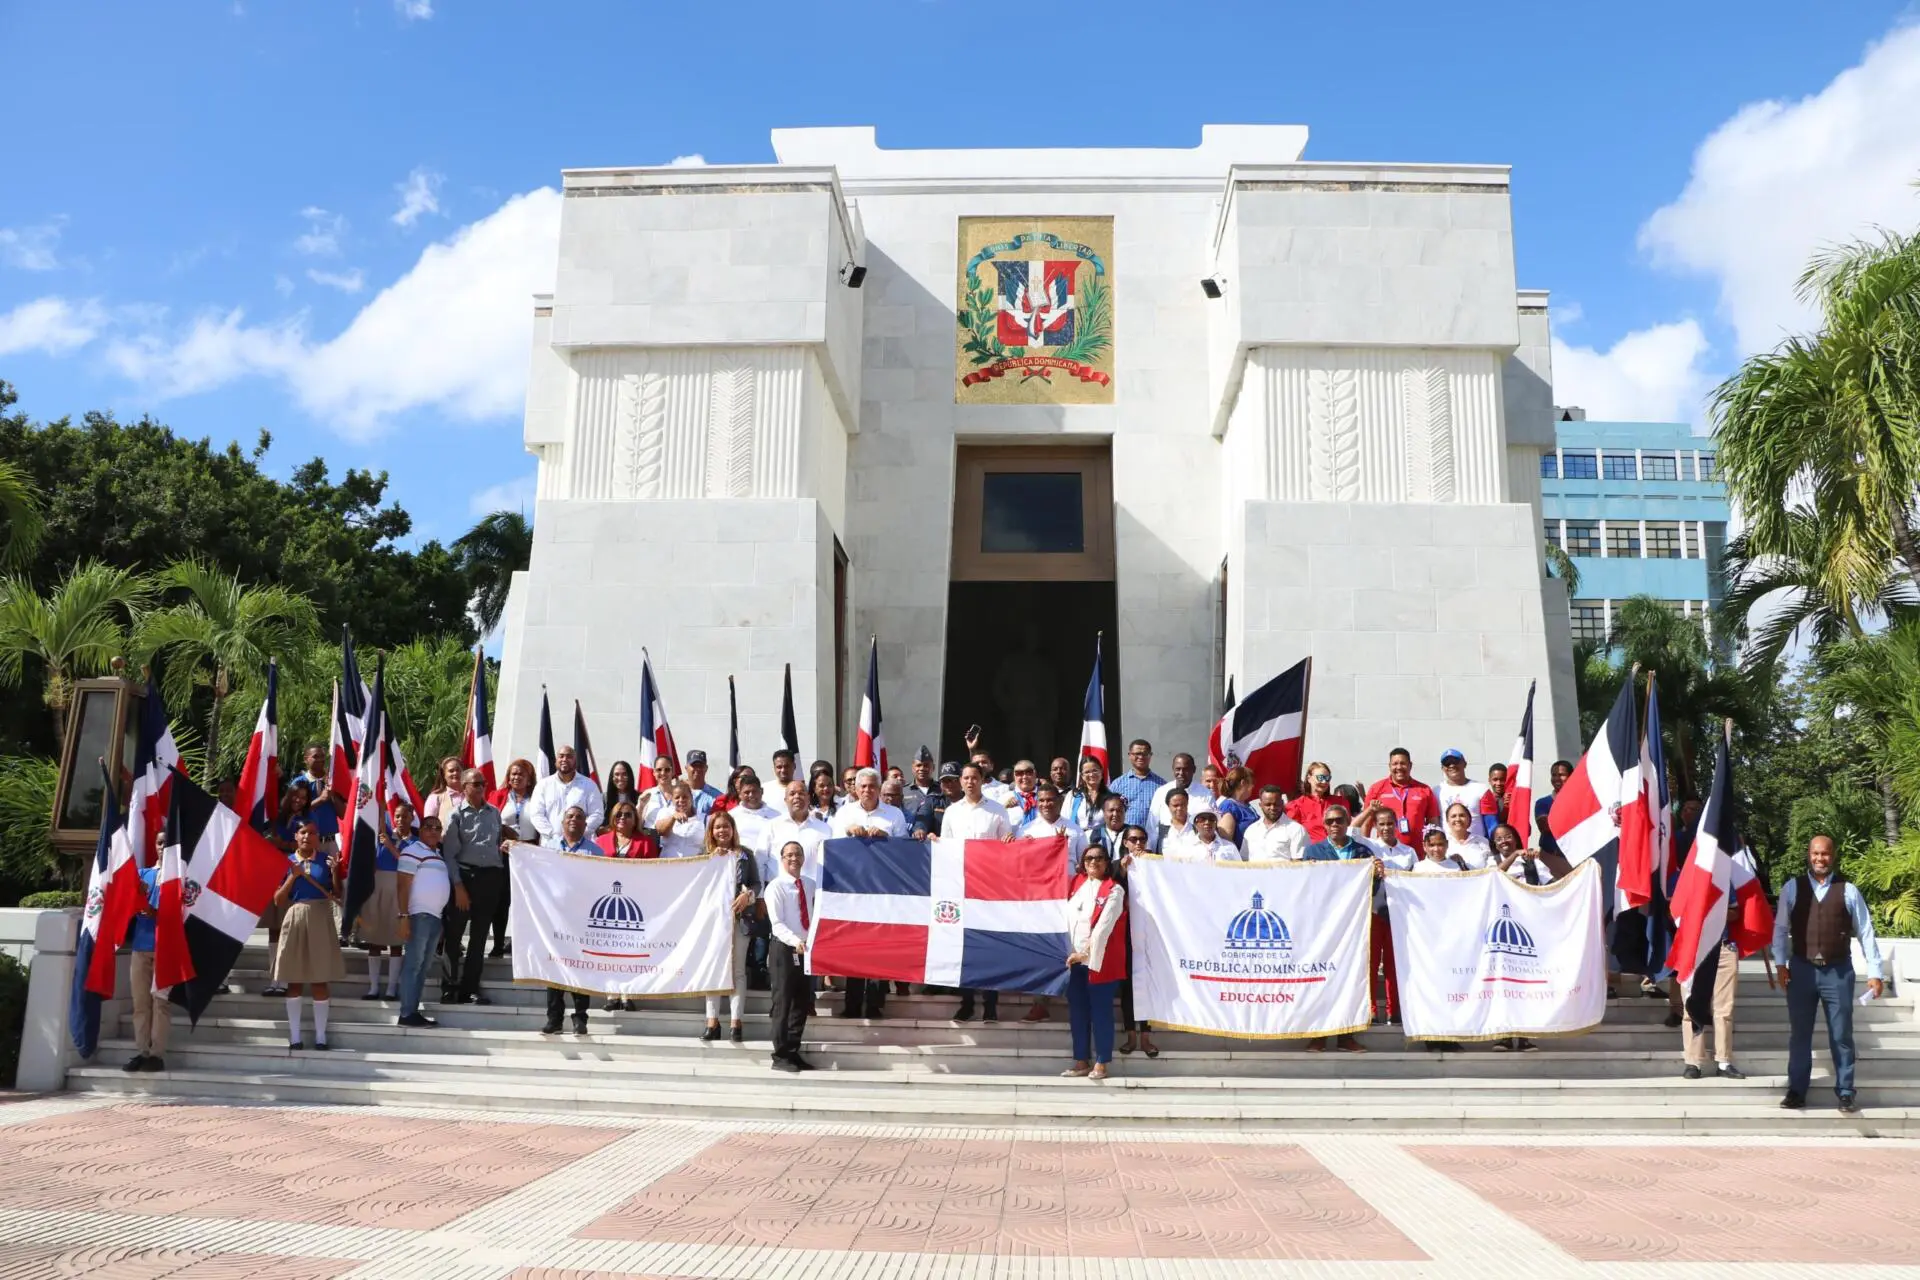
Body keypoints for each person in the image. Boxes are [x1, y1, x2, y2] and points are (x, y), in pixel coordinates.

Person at [1774, 835, 1884, 1114]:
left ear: (1833, 856)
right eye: (1815, 853)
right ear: (1808, 855)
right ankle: (1797, 1090)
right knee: (1800, 1035)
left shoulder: (1847, 890)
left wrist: (1875, 972)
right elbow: (1780, 929)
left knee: (1841, 1034)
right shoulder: (1792, 888)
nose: (1819, 859)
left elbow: (1866, 931)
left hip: (1838, 971)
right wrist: (1780, 964)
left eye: (1825, 854)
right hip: (1801, 969)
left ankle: (1846, 1091)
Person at [942, 763, 1014, 1022]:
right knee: (965, 945)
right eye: (966, 778)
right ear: (960, 782)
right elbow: (945, 850)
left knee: (989, 945)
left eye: (975, 777)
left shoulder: (997, 810)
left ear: (983, 780)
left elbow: (1008, 847)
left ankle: (991, 1003)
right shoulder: (951, 812)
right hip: (961, 887)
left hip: (989, 888)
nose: (970, 782)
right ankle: (967, 1001)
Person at [1300, 803, 1370, 1053]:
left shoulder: (1362, 851)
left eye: (1339, 820)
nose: (1334, 826)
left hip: (1352, 926)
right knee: (1320, 980)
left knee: (1349, 982)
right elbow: (1305, 889)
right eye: (1329, 821)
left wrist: (1377, 875)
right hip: (1321, 928)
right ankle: (1318, 1035)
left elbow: (1369, 891)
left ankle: (1345, 1035)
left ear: (1348, 821)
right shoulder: (1314, 851)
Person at [271, 820, 346, 1050]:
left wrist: (335, 872)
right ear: (296, 835)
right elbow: (278, 899)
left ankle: (321, 1036)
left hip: (321, 917)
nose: (307, 837)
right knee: (294, 980)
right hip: (295, 916)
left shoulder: (325, 860)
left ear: (317, 836)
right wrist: (293, 876)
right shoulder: (286, 862)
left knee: (319, 979)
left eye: (312, 833)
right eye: (303, 832)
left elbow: (337, 893)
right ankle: (295, 1037)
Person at [439, 769, 507, 1006]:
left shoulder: (494, 814)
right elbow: (449, 854)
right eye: (476, 784)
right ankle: (449, 987)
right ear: (464, 787)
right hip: (465, 877)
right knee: (454, 935)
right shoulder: (456, 815)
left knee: (479, 938)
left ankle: (469, 989)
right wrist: (458, 886)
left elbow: (496, 844)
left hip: (490, 878)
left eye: (483, 784)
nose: (480, 788)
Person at [1063, 845, 1127, 1081]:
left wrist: (1084, 954)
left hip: (1100, 962)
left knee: (1100, 1012)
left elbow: (1103, 929)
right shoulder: (1076, 885)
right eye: (1089, 858)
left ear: (1107, 863)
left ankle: (1101, 1061)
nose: (1093, 862)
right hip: (1073, 962)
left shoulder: (1114, 890)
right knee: (1078, 1012)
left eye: (1099, 858)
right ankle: (1081, 1059)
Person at [703, 809, 763, 1043]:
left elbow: (756, 883)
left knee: (737, 971)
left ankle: (736, 1023)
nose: (722, 831)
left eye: (726, 826)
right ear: (712, 831)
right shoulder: (705, 855)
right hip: (713, 921)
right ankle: (712, 1022)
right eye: (718, 827)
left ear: (733, 829)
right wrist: (711, 861)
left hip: (740, 920)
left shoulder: (745, 854)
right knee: (713, 970)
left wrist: (748, 895)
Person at [538, 806, 598, 1035]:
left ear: (585, 824)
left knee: (581, 968)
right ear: (562, 822)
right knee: (555, 968)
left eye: (579, 817)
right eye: (570, 816)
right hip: (555, 919)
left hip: (583, 921)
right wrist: (513, 849)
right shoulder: (548, 849)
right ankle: (554, 1018)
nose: (574, 820)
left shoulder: (596, 852)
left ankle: (580, 1017)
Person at [1358, 807, 1416, 1025]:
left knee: (1394, 964)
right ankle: (1372, 1009)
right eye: (1381, 824)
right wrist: (1368, 810)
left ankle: (1395, 1011)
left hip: (1399, 914)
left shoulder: (1409, 851)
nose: (1385, 828)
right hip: (1374, 911)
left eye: (1389, 823)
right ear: (1375, 826)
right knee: (1371, 964)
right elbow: (1353, 830)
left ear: (1396, 824)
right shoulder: (1369, 846)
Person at [764, 839, 817, 1072]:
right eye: (789, 855)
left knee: (802, 1001)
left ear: (804, 858)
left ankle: (793, 1051)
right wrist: (796, 941)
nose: (794, 859)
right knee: (783, 1002)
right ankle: (780, 1055)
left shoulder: (811, 885)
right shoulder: (776, 887)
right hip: (785, 949)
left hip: (806, 949)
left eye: (798, 854)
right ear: (782, 859)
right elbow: (777, 923)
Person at [392, 814, 449, 1028]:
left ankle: (413, 1011)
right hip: (418, 915)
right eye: (428, 827)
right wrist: (404, 916)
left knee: (422, 968)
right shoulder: (412, 851)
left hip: (434, 918)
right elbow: (402, 886)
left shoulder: (438, 855)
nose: (433, 831)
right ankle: (406, 1013)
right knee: (413, 965)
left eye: (437, 827)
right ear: (420, 830)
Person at [353, 798, 409, 1001]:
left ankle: (392, 988)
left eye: (404, 816)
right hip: (377, 888)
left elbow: (407, 861)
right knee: (374, 940)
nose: (400, 820)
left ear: (411, 818)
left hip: (398, 889)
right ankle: (374, 987)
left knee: (396, 941)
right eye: (397, 816)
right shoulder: (384, 834)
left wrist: (392, 847)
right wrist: (380, 799)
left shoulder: (414, 841)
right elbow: (376, 818)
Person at [1112, 824, 1159, 1058]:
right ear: (1125, 843)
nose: (1138, 844)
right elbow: (1107, 890)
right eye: (1133, 839)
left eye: (1142, 839)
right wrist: (1121, 871)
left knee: (1148, 983)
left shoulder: (1156, 864)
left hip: (1151, 934)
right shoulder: (1116, 866)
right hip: (1125, 935)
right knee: (1129, 986)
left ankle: (1146, 1037)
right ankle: (1131, 1036)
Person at [489, 757, 539, 959]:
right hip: (503, 854)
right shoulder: (498, 796)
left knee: (525, 901)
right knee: (501, 901)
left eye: (521, 774)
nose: (517, 777)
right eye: (513, 774)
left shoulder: (537, 797)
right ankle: (498, 943)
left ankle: (522, 943)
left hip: (529, 854)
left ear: (529, 779)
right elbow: (489, 822)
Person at [120, 860, 168, 1072]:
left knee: (160, 1002)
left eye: (165, 843)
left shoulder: (178, 876)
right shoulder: (142, 874)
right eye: (158, 842)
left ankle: (157, 1054)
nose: (161, 847)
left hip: (166, 948)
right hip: (140, 945)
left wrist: (154, 911)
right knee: (140, 1002)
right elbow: (125, 905)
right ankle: (142, 1051)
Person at [529, 746, 605, 845]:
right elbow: (536, 815)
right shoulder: (543, 785)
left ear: (575, 761)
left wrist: (577, 834)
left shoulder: (589, 785)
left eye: (569, 756)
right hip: (550, 845)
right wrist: (553, 835)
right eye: (561, 756)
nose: (564, 759)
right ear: (556, 761)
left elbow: (597, 814)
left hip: (582, 845)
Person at [1366, 748, 1440, 846]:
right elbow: (1366, 824)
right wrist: (1365, 850)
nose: (1399, 767)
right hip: (1385, 853)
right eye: (1395, 764)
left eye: (1403, 763)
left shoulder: (1425, 790)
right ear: (1389, 766)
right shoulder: (1376, 789)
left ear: (1410, 765)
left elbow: (1433, 824)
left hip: (1418, 853)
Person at [765, 778, 832, 880]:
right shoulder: (772, 826)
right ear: (785, 800)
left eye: (801, 793)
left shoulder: (824, 829)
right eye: (792, 794)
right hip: (780, 891)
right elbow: (760, 861)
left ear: (808, 798)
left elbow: (831, 862)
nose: (797, 797)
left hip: (813, 891)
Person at [829, 768, 909, 838]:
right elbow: (835, 847)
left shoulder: (895, 813)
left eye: (872, 786)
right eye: (863, 786)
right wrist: (848, 831)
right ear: (857, 790)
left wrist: (886, 837)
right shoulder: (844, 812)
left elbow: (902, 848)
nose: (867, 790)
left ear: (879, 789)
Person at [1244, 785, 1309, 861]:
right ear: (1260, 805)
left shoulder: (1296, 829)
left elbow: (1299, 863)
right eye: (1268, 804)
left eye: (1276, 804)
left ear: (1282, 803)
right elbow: (1244, 859)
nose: (1272, 808)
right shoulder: (1251, 830)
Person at [1109, 739, 1163, 829]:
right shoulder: (1117, 784)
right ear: (1129, 755)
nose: (1141, 757)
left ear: (1150, 756)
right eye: (1137, 754)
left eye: (1145, 754)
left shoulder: (1161, 785)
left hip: (1152, 837)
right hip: (1125, 836)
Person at [1149, 753, 1207, 827]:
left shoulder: (1205, 794)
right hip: (1166, 837)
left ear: (1194, 769)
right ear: (1173, 769)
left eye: (1186, 769)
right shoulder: (1161, 792)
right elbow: (1151, 825)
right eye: (1178, 769)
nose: (1181, 773)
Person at [1164, 807, 1241, 862]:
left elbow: (1240, 873)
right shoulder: (1186, 847)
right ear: (1195, 824)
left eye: (1211, 819)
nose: (1207, 822)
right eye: (1202, 819)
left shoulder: (1230, 847)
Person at [653, 781, 707, 857]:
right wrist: (673, 818)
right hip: (668, 864)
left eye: (685, 797)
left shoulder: (704, 818)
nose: (681, 800)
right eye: (677, 797)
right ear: (672, 799)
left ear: (691, 798)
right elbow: (661, 831)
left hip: (694, 865)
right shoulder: (665, 812)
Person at [1286, 762, 1337, 842]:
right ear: (1309, 778)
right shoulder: (1296, 806)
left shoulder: (1339, 802)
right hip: (1311, 852)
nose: (1324, 782)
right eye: (1320, 778)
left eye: (1327, 778)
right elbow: (1291, 835)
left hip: (1338, 851)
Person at [1536, 759, 1573, 859]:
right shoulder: (1542, 803)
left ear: (1571, 776)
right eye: (1554, 775)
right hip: (1551, 856)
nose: (1557, 778)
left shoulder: (1580, 801)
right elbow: (1545, 827)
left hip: (1575, 855)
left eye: (1561, 775)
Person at [1215, 767, 1259, 846]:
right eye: (1252, 782)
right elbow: (1225, 840)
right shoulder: (1229, 807)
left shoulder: (1247, 806)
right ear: (1243, 783)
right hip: (1239, 857)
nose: (1253, 786)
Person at [1064, 756, 1110, 833]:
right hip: (1077, 841)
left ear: (1101, 772)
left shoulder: (1110, 797)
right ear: (1082, 776)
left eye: (1095, 770)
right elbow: (1065, 820)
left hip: (1101, 842)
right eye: (1087, 772)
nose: (1091, 774)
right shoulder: (1073, 795)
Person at [1443, 802, 1494, 869]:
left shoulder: (1482, 841)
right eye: (1453, 816)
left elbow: (1492, 867)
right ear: (1447, 821)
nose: (1458, 819)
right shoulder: (1442, 843)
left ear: (1469, 819)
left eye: (1462, 815)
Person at [1154, 788, 1197, 854]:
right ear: (1168, 806)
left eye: (1182, 804)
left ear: (1187, 804)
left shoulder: (1197, 826)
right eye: (1175, 805)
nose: (1179, 808)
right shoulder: (1161, 828)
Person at [1088, 793, 1132, 859]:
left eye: (1119, 811)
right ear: (1103, 812)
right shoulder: (1091, 834)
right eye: (1111, 810)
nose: (1115, 814)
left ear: (1124, 812)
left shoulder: (1134, 834)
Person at [424, 755, 464, 822]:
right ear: (444, 775)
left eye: (458, 770)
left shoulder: (471, 795)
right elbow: (428, 824)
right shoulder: (435, 797)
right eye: (451, 771)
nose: (455, 773)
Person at [684, 749, 722, 815]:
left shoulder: (717, 796)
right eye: (694, 765)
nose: (697, 769)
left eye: (700, 766)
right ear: (686, 768)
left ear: (706, 768)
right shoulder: (677, 794)